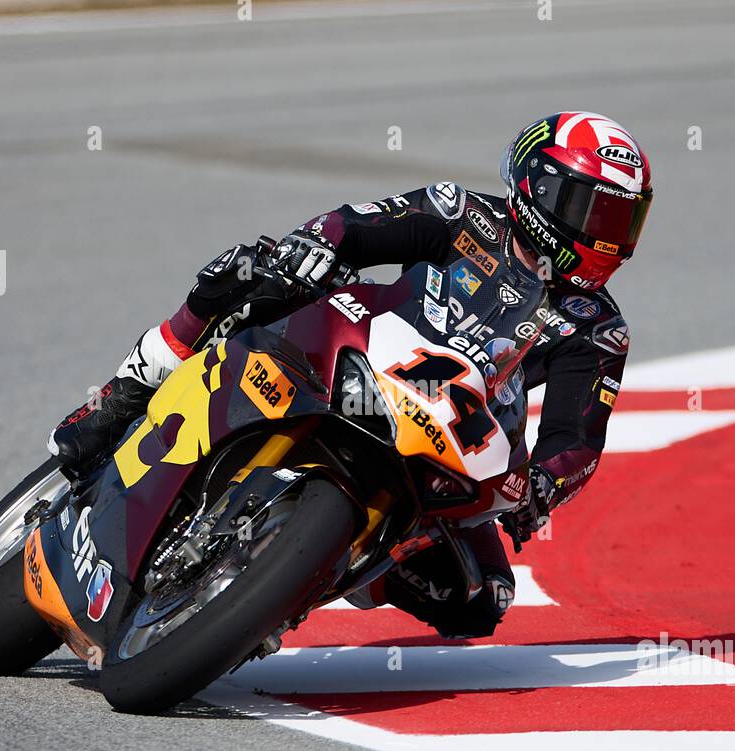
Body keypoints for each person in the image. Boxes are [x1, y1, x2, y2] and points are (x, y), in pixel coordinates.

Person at [49, 111, 651, 638]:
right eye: (594, 211)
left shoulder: (596, 328)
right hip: (355, 350)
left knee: (483, 599)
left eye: (623, 221)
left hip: (447, 439)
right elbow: (355, 226)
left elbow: (577, 440)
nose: (606, 235)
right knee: (249, 277)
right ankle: (121, 401)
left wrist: (542, 486)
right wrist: (311, 246)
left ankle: (301, 580)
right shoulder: (461, 213)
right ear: (538, 189)